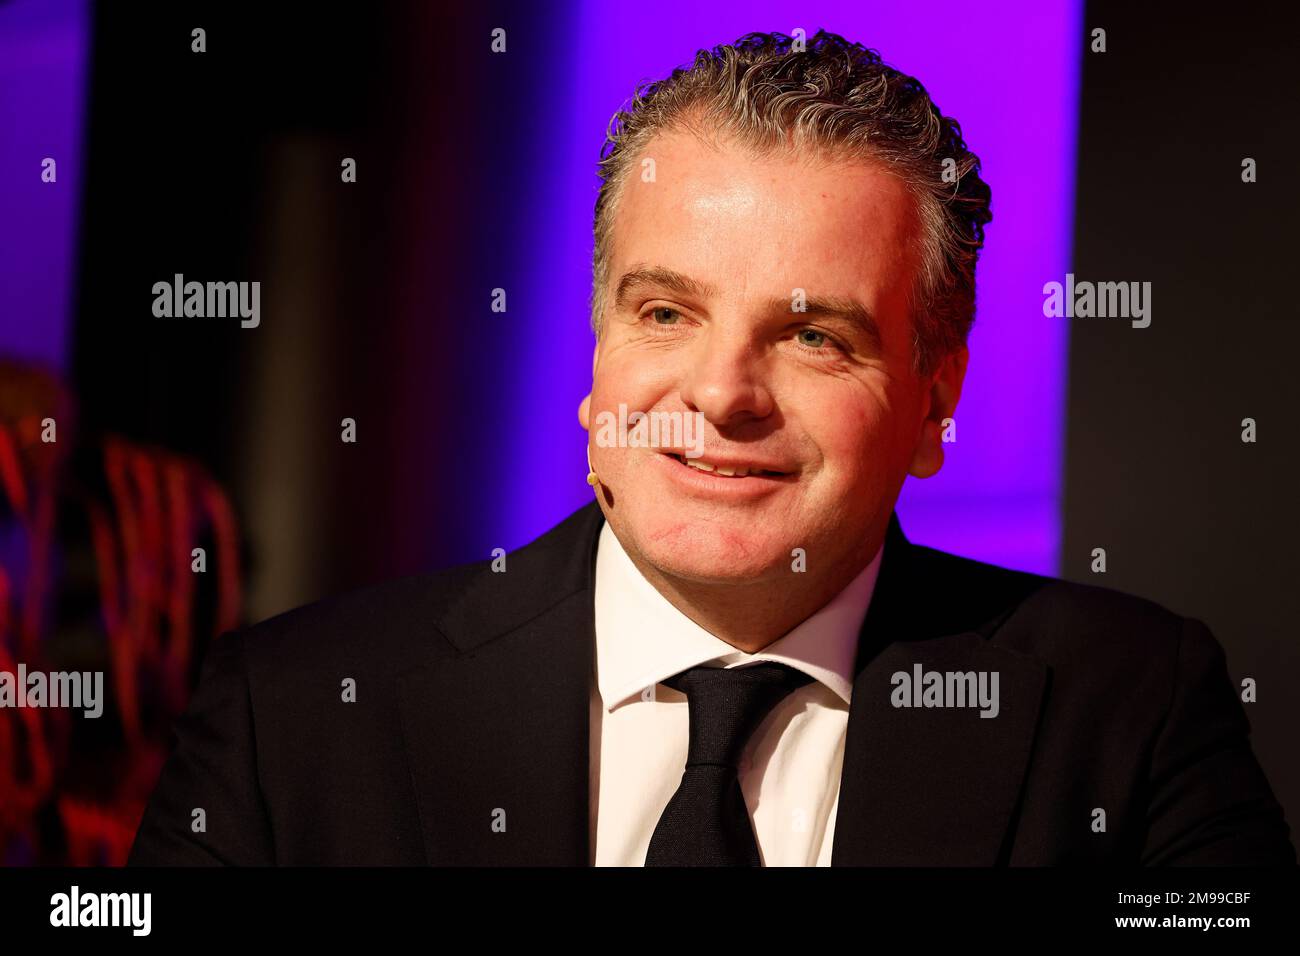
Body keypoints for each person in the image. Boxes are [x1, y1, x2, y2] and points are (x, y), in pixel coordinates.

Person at [128, 30, 1293, 866]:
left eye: (810, 333)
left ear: (936, 400)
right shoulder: (294, 715)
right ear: (596, 359)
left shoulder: (1128, 712)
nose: (721, 393)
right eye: (666, 313)